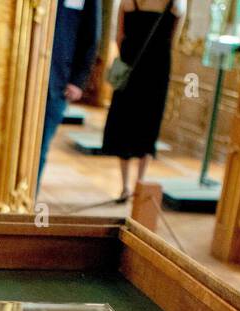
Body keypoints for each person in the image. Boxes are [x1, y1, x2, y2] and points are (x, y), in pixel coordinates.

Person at [101, 0, 186, 201]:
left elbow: (119, 36)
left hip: (131, 64)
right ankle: (141, 182)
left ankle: (124, 187)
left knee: (125, 123)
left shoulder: (129, 1)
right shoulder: (176, 4)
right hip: (157, 68)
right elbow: (174, 41)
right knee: (149, 124)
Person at [38, 0, 103, 191]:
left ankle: (26, 204)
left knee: (39, 146)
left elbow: (91, 35)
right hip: (20, 76)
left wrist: (78, 80)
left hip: (58, 81)